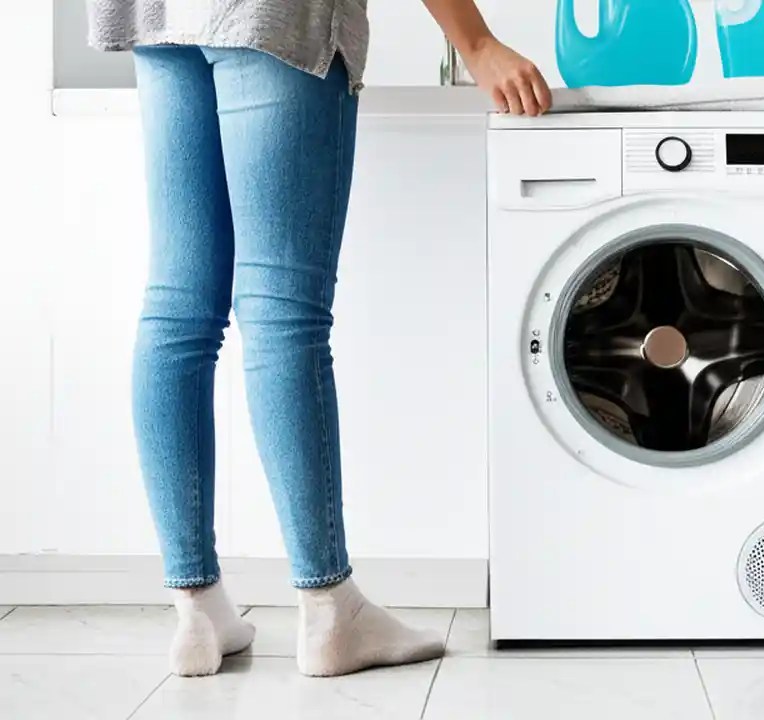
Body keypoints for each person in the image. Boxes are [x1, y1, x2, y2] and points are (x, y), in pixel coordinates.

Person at [87, 0, 552, 677]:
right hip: (273, 17)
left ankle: (197, 607)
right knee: (282, 315)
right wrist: (475, 42)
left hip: (162, 15)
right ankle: (330, 608)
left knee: (177, 312)